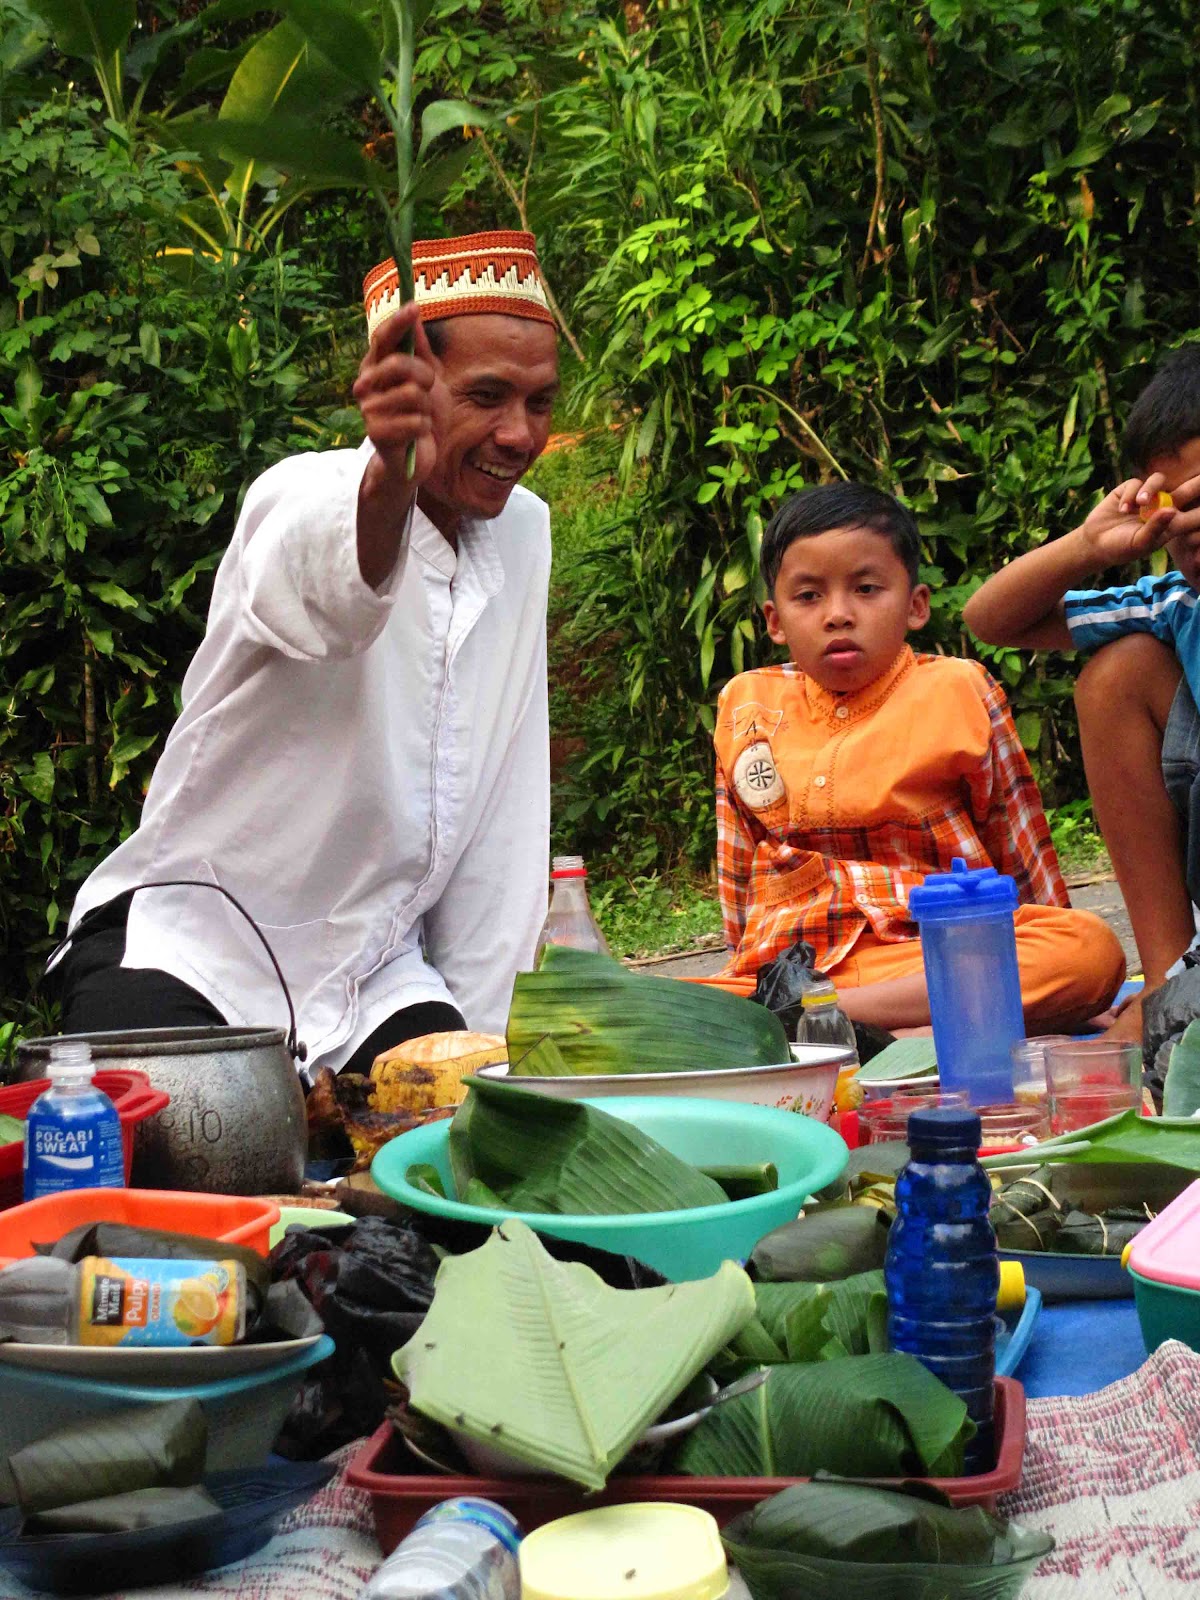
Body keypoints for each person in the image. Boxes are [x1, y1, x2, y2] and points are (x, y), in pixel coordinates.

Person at [46, 230, 560, 1075]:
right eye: (487, 396)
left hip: (372, 977)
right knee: (188, 1134)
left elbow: (505, 818)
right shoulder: (302, 493)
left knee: (455, 1129)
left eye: (540, 403)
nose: (518, 434)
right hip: (196, 946)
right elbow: (335, 601)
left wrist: (489, 1049)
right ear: (405, 388)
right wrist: (388, 477)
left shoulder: (524, 532)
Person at [713, 483, 1124, 1031]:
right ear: (775, 621)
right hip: (795, 965)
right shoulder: (747, 705)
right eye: (808, 596)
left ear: (916, 605)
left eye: (866, 589)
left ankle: (807, 1023)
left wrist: (1069, 986)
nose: (838, 615)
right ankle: (848, 1021)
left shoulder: (957, 689)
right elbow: (737, 869)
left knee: (1087, 951)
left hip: (935, 957)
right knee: (643, 1004)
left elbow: (1018, 844)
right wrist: (742, 973)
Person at [964, 345, 1200, 1039]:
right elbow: (991, 618)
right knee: (1116, 674)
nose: (1188, 527)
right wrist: (1091, 546)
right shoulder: (1176, 604)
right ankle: (1170, 984)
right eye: (1172, 506)